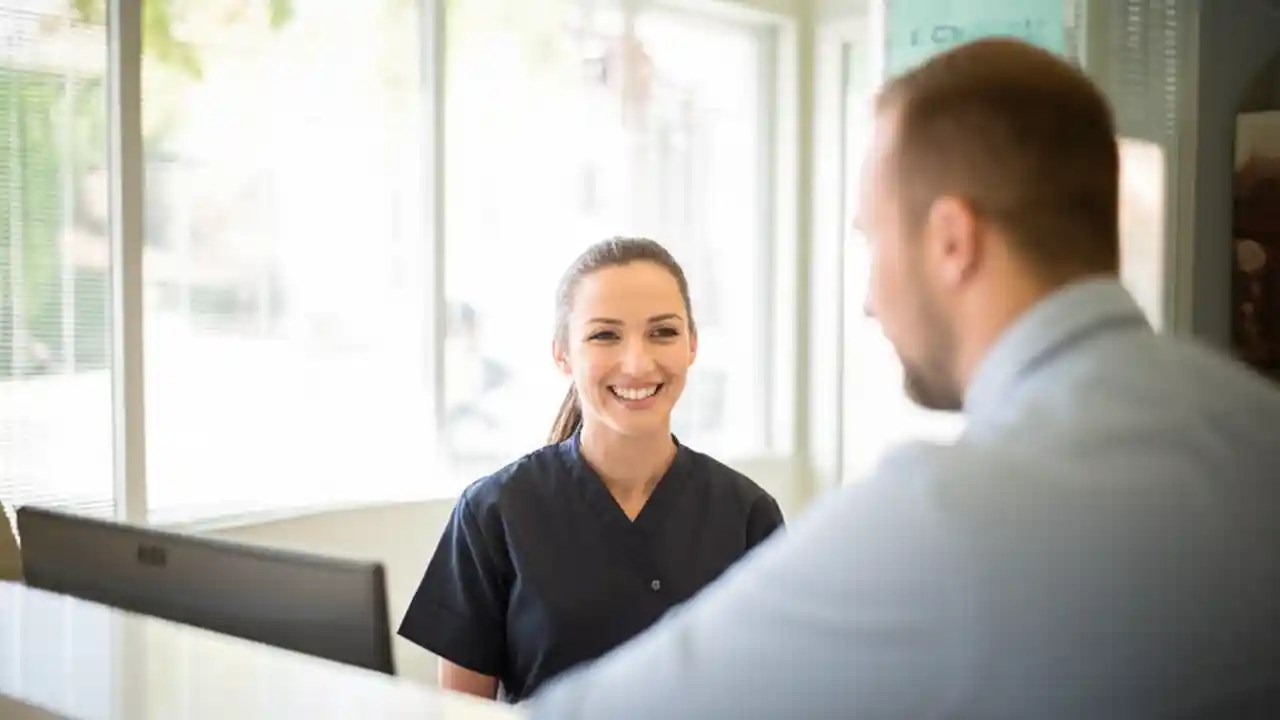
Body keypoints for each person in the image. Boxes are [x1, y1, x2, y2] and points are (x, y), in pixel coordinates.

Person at [530, 39, 1280, 718]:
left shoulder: (949, 522)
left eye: (873, 240)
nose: (868, 299)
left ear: (952, 241)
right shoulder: (1258, 431)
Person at [399, 237, 785, 703]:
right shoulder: (494, 513)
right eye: (605, 335)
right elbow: (462, 714)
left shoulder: (747, 515)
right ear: (562, 354)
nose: (638, 363)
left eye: (663, 332)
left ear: (692, 346)